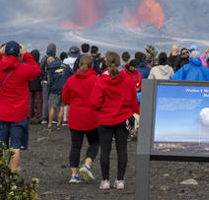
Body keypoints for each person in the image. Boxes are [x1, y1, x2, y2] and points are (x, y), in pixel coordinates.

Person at [0, 41, 41, 172]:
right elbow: (37, 70)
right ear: (18, 54)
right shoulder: (25, 69)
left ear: (5, 51)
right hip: (19, 114)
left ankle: (2, 175)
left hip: (1, 113)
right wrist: (26, 55)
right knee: (15, 146)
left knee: (0, 145)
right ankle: (12, 177)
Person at [90, 51, 140, 191]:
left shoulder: (100, 80)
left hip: (105, 119)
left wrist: (100, 111)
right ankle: (120, 180)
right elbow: (134, 102)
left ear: (106, 63)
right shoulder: (127, 80)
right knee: (122, 150)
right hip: (123, 118)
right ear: (120, 63)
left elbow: (95, 102)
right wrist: (135, 115)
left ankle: (105, 180)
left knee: (105, 151)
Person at [62, 54, 99, 184]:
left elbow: (65, 98)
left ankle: (74, 175)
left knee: (75, 146)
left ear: (78, 65)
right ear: (92, 65)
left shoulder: (71, 80)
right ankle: (87, 165)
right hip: (92, 117)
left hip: (75, 117)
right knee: (95, 142)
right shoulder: (96, 80)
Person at [47, 53, 73, 130]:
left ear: (49, 62)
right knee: (62, 107)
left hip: (55, 90)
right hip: (64, 89)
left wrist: (50, 86)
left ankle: (50, 124)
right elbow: (72, 75)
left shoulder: (50, 67)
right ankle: (59, 124)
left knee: (52, 107)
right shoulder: (66, 66)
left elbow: (50, 80)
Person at [41, 43, 56, 124]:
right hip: (54, 82)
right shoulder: (57, 59)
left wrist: (42, 79)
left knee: (45, 100)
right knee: (54, 100)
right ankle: (54, 118)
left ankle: (44, 118)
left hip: (45, 82)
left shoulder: (44, 59)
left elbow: (40, 70)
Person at [27, 49, 43, 123]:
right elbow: (42, 74)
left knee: (30, 100)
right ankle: (39, 115)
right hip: (38, 84)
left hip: (29, 84)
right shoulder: (40, 65)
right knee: (39, 100)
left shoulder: (28, 65)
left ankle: (30, 114)